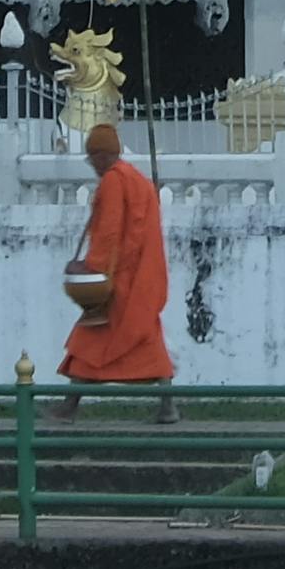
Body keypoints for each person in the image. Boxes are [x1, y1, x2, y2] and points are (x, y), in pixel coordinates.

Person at [57, 115, 172, 389]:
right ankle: (167, 406)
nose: (92, 166)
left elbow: (108, 233)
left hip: (118, 279)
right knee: (144, 339)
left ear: (100, 156)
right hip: (142, 276)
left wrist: (92, 268)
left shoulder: (113, 181)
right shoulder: (138, 180)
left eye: (91, 158)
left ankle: (69, 406)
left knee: (89, 339)